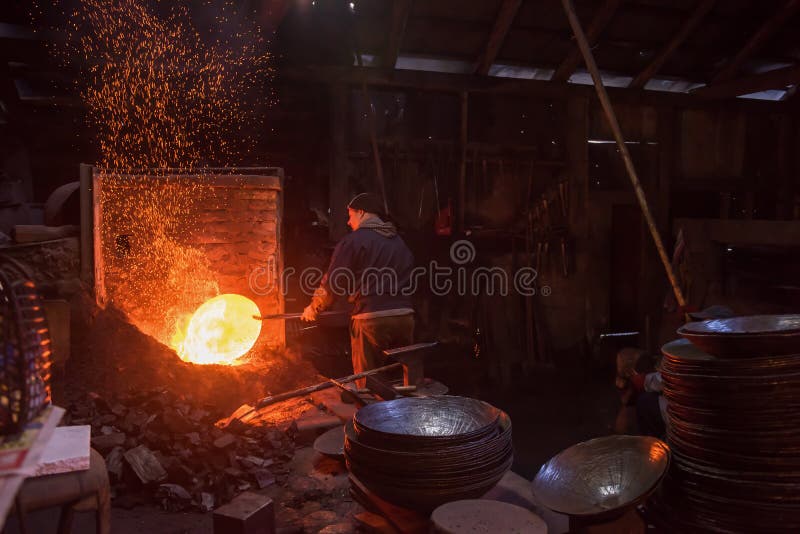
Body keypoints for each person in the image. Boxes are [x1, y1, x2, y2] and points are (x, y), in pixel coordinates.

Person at [301, 193, 415, 387]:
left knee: (369, 383)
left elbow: (334, 281)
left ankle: (371, 413)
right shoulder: (399, 242)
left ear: (362, 213)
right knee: (402, 381)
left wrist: (314, 307)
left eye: (351, 215)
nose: (348, 221)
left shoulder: (354, 241)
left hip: (371, 321)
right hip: (405, 318)